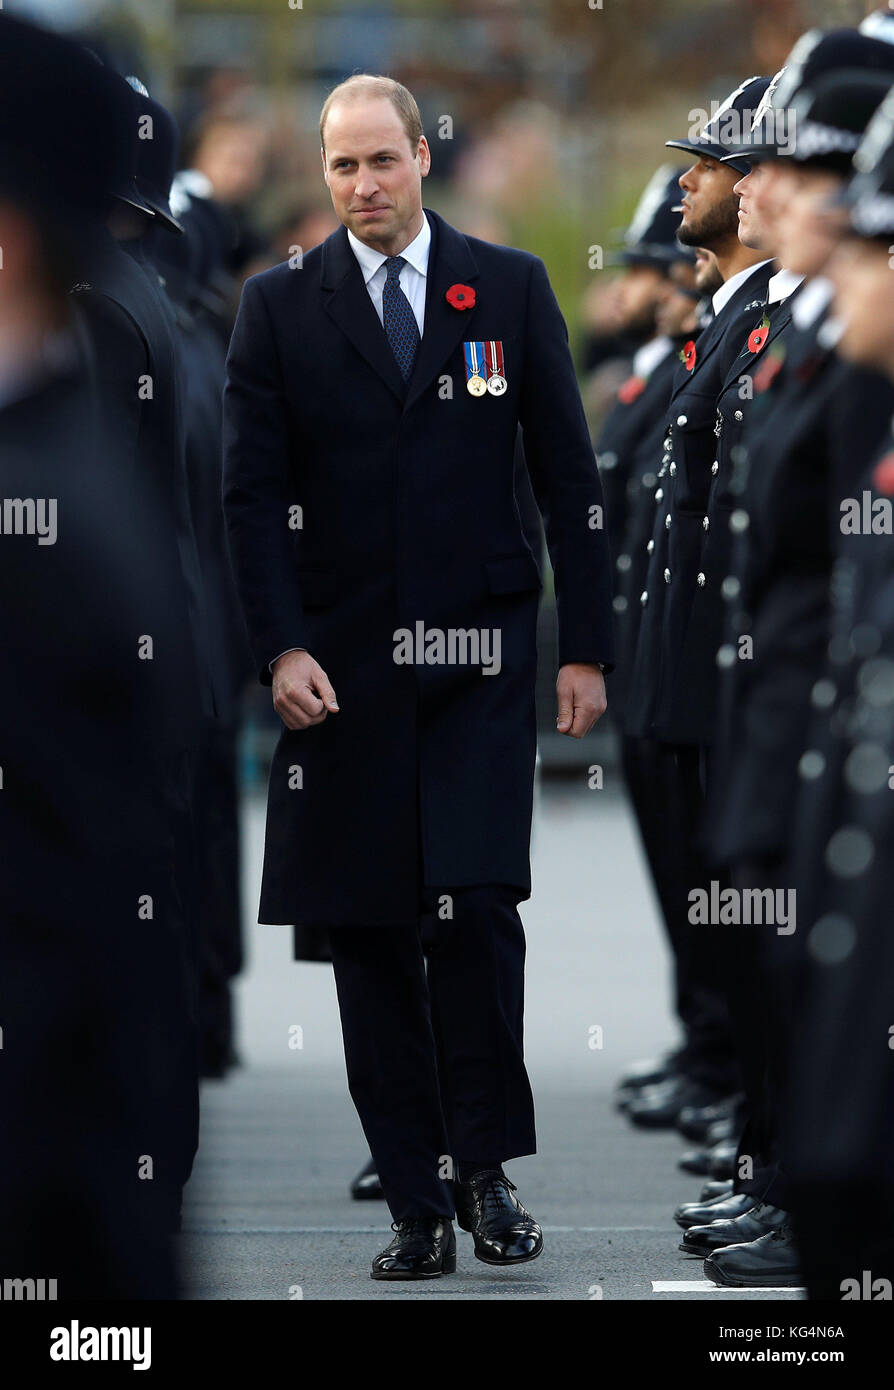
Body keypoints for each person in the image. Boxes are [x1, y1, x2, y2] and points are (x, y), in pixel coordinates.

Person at [223, 73, 614, 1279]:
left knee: (480, 913)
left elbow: (567, 477)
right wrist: (278, 647)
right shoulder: (279, 308)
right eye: (341, 166)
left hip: (478, 665)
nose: (362, 186)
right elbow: (246, 497)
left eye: (381, 161)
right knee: (369, 934)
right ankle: (412, 1201)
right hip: (341, 677)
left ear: (423, 159)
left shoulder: (507, 287)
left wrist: (588, 645)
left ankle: (485, 1174)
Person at [622, 76, 776, 1137]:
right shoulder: (735, 328)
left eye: (713, 163)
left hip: (743, 680)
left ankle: (766, 1143)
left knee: (761, 933)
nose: (693, 177)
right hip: (695, 673)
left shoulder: (762, 328)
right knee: (724, 920)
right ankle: (757, 1136)